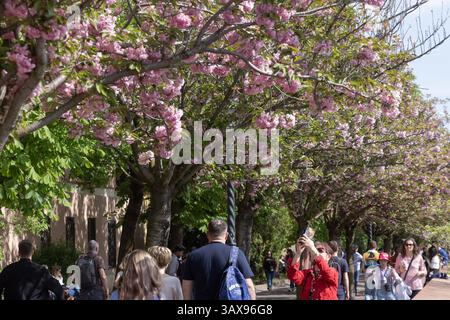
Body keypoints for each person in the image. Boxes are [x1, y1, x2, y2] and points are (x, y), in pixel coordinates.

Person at [182, 219, 256, 300]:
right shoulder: (237, 253)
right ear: (227, 235)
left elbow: (186, 288)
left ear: (207, 235)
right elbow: (249, 286)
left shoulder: (193, 256)